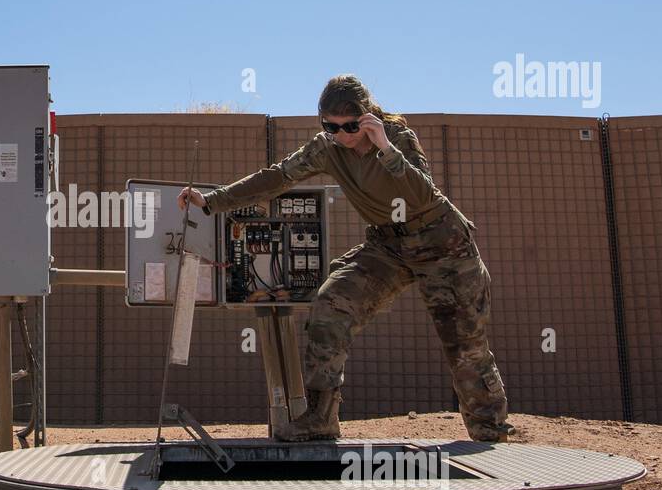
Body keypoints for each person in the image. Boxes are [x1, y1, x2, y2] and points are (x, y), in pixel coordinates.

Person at [177, 74, 513, 443]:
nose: (342, 134)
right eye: (331, 126)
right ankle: (321, 417)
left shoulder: (398, 139)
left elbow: (420, 196)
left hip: (442, 243)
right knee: (330, 305)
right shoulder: (326, 148)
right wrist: (212, 200)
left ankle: (490, 432)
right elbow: (276, 178)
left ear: (367, 117)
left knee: (464, 342)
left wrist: (384, 147)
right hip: (389, 246)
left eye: (351, 125)